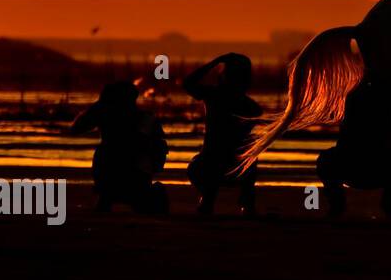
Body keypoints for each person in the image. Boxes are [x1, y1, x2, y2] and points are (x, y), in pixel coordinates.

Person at [70, 81, 169, 214]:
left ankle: (111, 196)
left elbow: (76, 128)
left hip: (118, 180)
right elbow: (159, 157)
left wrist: (97, 107)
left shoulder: (105, 114)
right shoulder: (146, 119)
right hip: (130, 180)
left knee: (107, 152)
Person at [182, 53, 263, 215]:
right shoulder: (250, 106)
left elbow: (188, 83)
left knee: (205, 163)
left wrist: (214, 62)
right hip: (232, 164)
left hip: (216, 161)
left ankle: (211, 199)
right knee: (247, 158)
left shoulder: (214, 96)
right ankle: (244, 202)